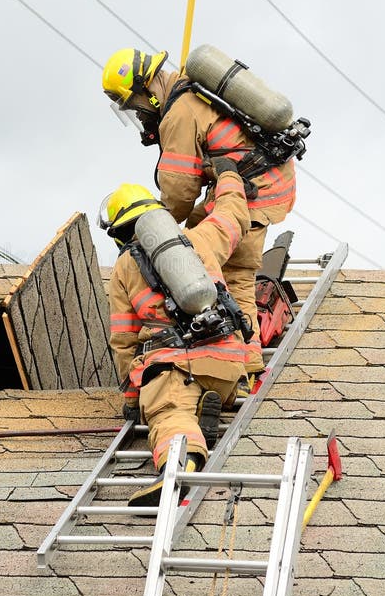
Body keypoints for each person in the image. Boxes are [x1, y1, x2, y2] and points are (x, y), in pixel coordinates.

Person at [102, 48, 296, 381]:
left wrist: (151, 237)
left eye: (135, 106)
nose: (139, 115)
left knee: (229, 274)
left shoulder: (178, 115)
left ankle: (244, 367)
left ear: (148, 92)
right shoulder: (186, 90)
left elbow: (178, 194)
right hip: (261, 183)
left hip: (252, 192)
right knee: (200, 241)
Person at [100, 158, 250, 507]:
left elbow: (123, 340)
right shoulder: (200, 238)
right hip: (228, 363)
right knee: (194, 392)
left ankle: (180, 470)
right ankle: (208, 408)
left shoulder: (123, 267)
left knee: (168, 413)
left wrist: (132, 399)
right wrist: (228, 176)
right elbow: (233, 217)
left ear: (120, 230)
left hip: (173, 367)